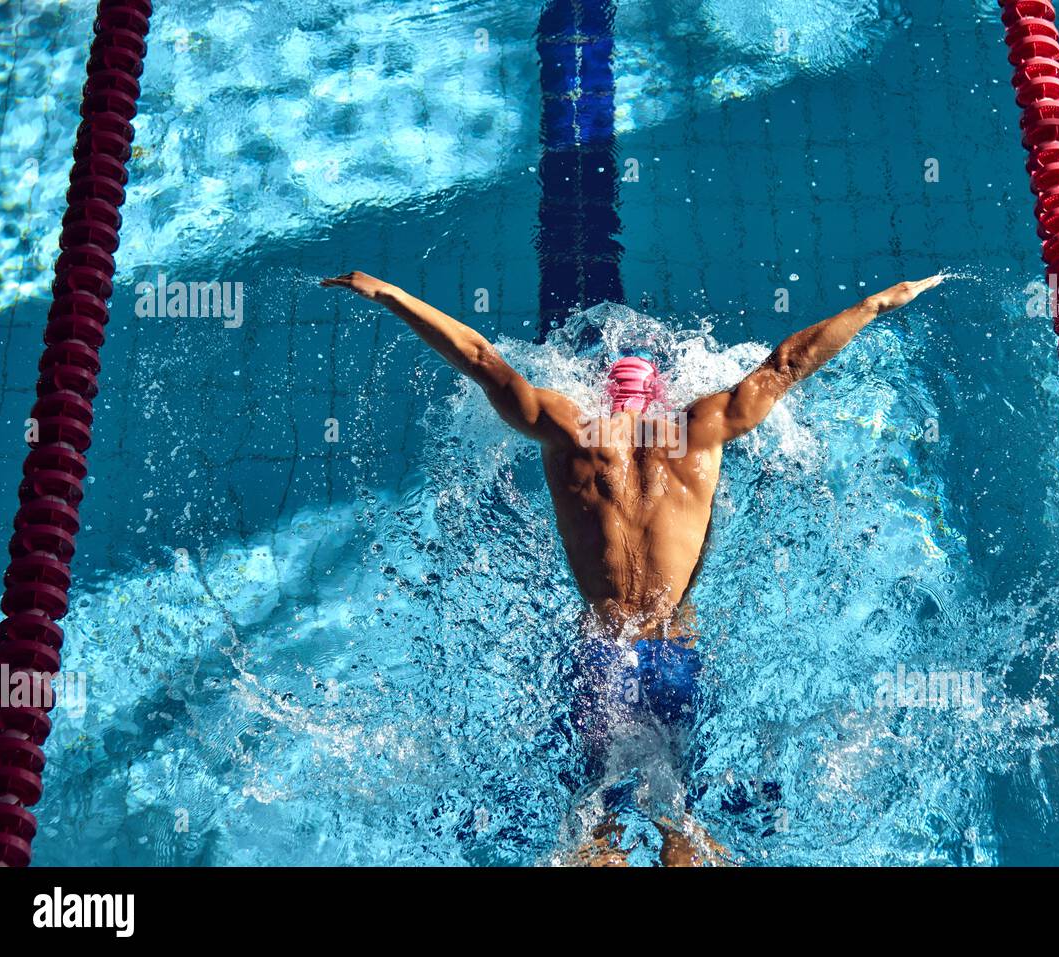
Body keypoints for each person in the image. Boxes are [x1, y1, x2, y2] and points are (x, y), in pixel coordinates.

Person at [322, 270, 945, 864]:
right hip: (674, 654)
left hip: (603, 656)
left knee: (599, 822)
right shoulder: (698, 429)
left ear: (604, 397)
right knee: (682, 818)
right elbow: (786, 363)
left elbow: (483, 361)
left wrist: (391, 295)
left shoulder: (571, 430)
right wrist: (876, 304)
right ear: (661, 397)